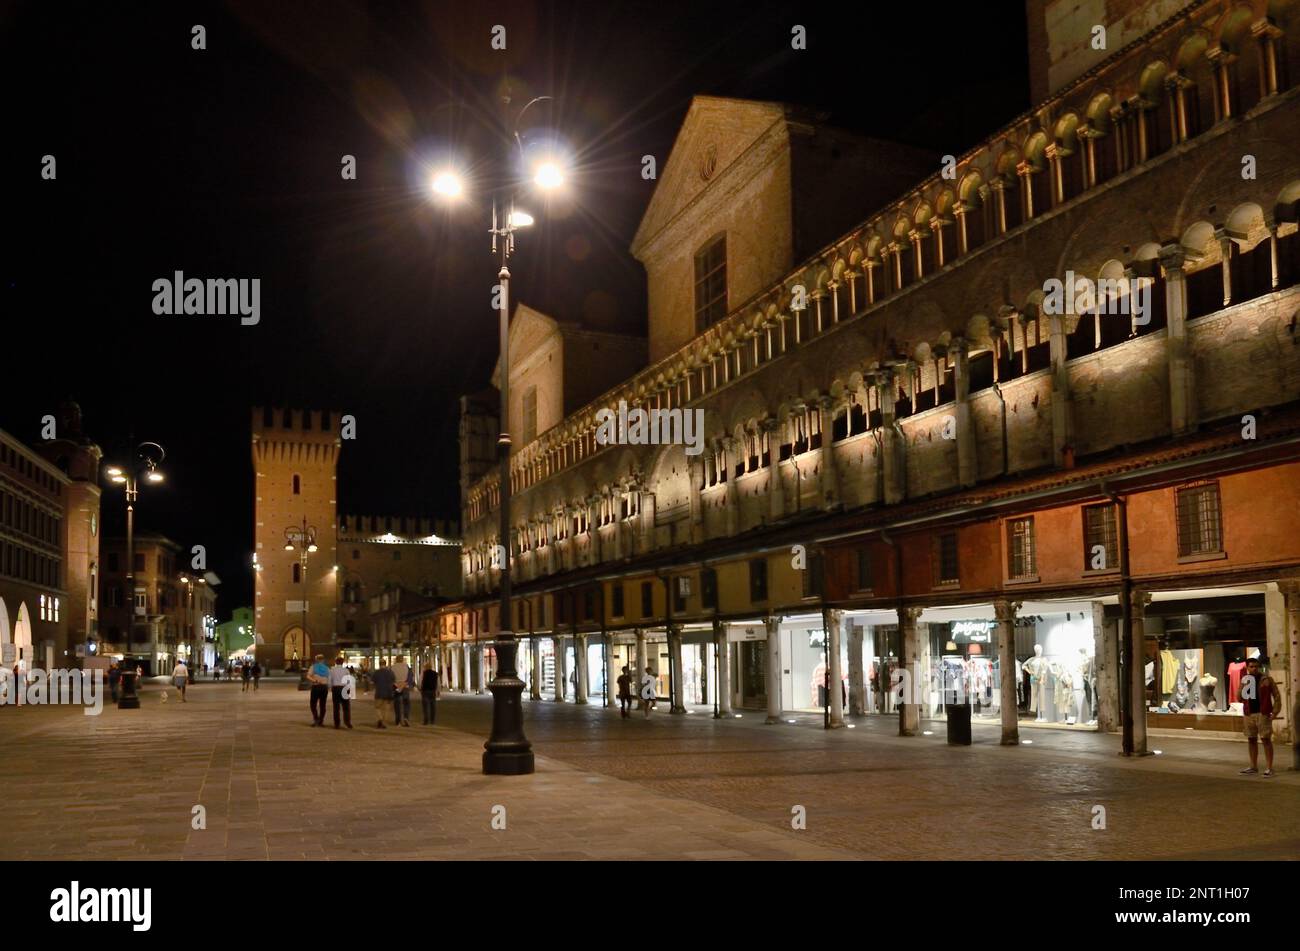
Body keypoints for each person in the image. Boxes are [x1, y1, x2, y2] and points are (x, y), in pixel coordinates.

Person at [1239, 656, 1282, 777]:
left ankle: (1269, 767)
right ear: (1247, 668)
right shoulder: (1245, 680)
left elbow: (1276, 695)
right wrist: (1244, 685)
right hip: (1249, 713)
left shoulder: (1266, 679)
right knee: (1251, 739)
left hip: (1263, 713)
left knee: (1265, 739)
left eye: (1256, 666)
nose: (1254, 669)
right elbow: (1239, 697)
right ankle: (1253, 766)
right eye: (1251, 666)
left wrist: (1275, 711)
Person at [329, 656, 353, 729]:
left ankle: (337, 724)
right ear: (342, 662)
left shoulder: (332, 670)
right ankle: (347, 722)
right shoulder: (346, 670)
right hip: (344, 688)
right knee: (346, 707)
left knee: (336, 707)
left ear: (336, 662)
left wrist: (330, 688)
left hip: (336, 688)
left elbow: (330, 680)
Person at [307, 654, 331, 726]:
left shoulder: (313, 667)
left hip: (316, 687)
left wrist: (314, 680)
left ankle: (316, 719)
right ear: (323, 660)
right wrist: (329, 686)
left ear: (316, 660)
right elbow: (329, 679)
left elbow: (308, 676)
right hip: (324, 687)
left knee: (313, 704)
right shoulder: (327, 668)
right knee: (323, 705)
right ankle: (321, 720)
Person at [372, 660, 395, 729]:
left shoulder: (376, 672)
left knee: (377, 707)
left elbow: (373, 681)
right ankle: (384, 722)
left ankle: (380, 718)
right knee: (386, 708)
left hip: (379, 692)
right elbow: (393, 680)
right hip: (388, 692)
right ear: (385, 664)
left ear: (379, 664)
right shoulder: (390, 672)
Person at [391, 655, 413, 727]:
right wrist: (405, 684)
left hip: (396, 687)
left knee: (397, 703)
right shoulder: (406, 667)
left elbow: (391, 678)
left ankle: (398, 721)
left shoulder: (393, 667)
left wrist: (396, 684)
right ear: (402, 659)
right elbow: (410, 677)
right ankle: (406, 718)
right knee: (406, 702)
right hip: (405, 687)